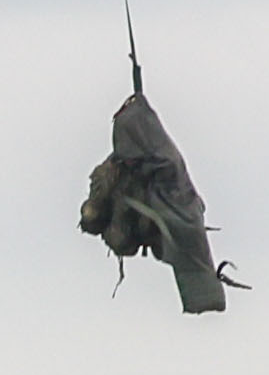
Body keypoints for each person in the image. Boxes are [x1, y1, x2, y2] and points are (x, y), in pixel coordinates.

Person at [78, 88, 227, 315]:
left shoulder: (164, 168)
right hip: (154, 217)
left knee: (187, 248)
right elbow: (96, 219)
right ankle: (204, 297)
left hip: (167, 216)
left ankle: (205, 298)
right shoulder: (117, 172)